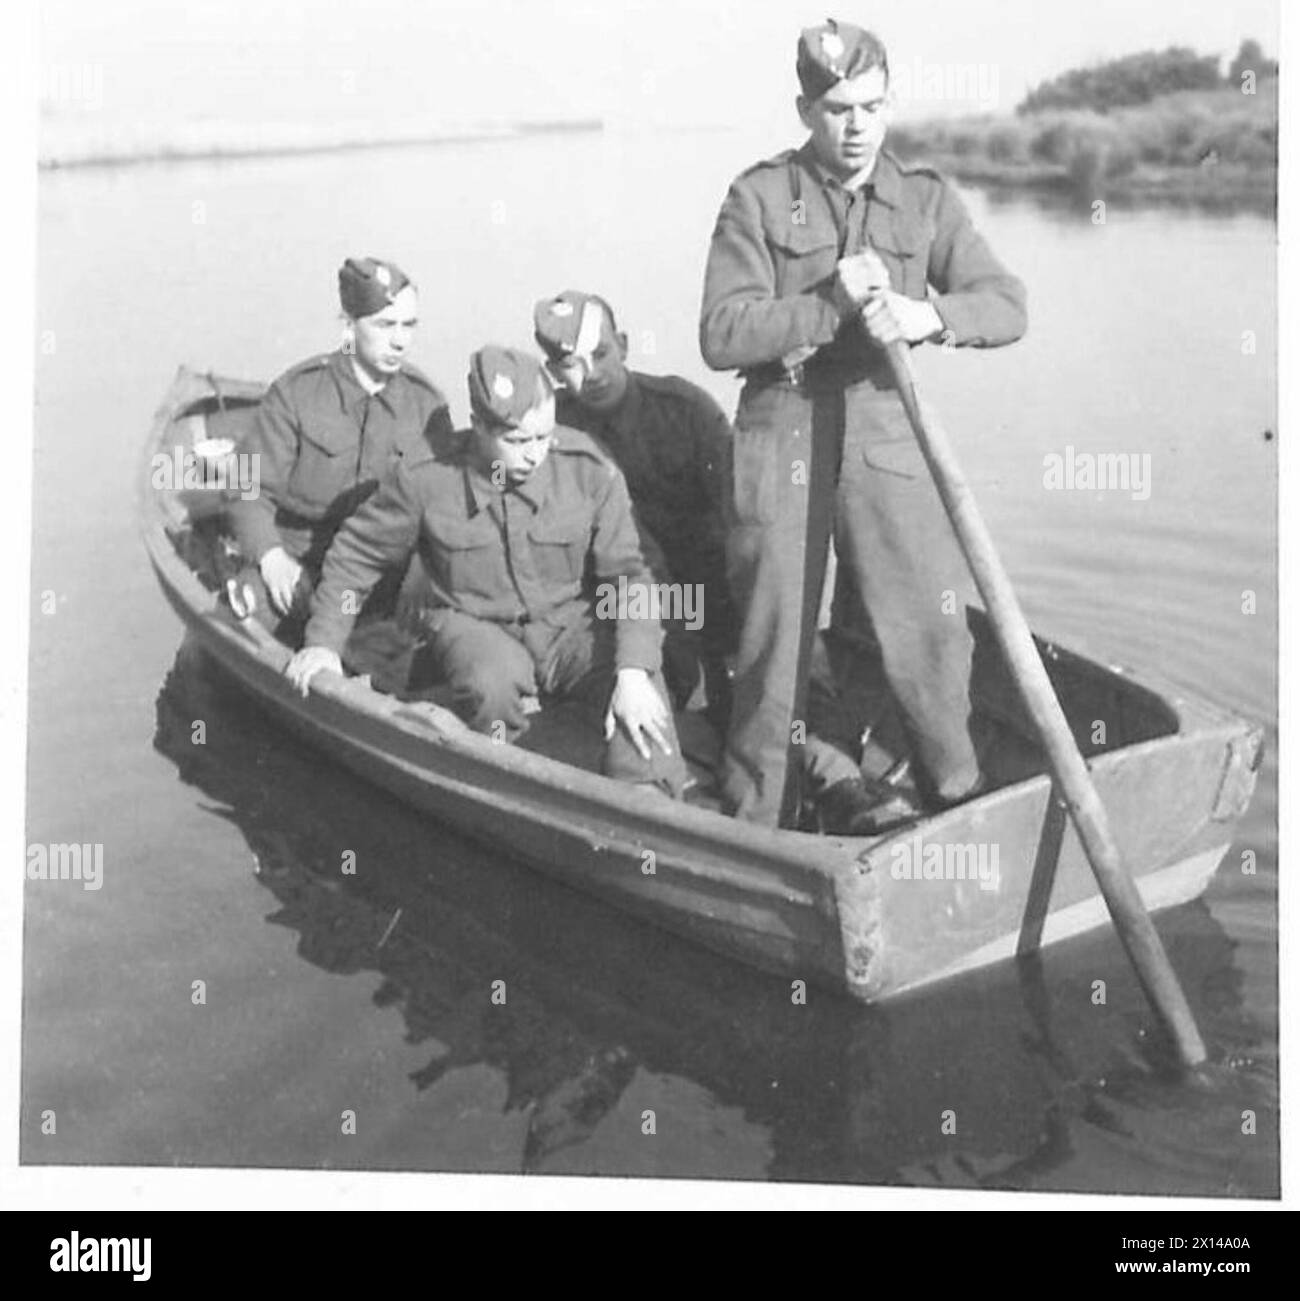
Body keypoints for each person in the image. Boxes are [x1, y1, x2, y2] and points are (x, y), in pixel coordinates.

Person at [699, 19, 1027, 832]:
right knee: (776, 635)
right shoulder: (758, 195)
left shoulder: (925, 196)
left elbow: (1009, 305)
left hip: (888, 424)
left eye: (873, 107)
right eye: (839, 109)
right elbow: (722, 334)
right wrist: (826, 304)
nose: (858, 128)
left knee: (928, 628)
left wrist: (927, 315)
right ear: (805, 107)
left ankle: (956, 799)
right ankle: (761, 825)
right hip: (784, 420)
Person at [285, 346, 687, 795]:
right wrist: (323, 644)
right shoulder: (426, 476)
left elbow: (629, 575)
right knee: (491, 685)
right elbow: (359, 556)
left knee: (637, 673)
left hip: (565, 624)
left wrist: (632, 672)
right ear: (478, 426)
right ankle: (513, 787)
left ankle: (650, 802)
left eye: (544, 437)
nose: (535, 455)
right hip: (472, 620)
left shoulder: (587, 468)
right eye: (517, 442)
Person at [533, 289, 736, 726]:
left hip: (705, 592)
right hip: (613, 596)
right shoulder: (546, 431)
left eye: (601, 353)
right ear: (552, 371)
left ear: (623, 345)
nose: (593, 373)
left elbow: (741, 512)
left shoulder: (685, 411)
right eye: (572, 365)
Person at [226, 256, 452, 642]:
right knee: (252, 614)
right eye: (385, 325)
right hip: (299, 568)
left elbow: (444, 507)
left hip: (380, 578)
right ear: (348, 326)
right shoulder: (297, 394)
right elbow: (245, 490)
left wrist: (424, 567)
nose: (400, 340)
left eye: (409, 325)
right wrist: (270, 556)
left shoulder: (426, 405)